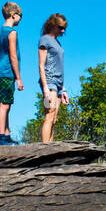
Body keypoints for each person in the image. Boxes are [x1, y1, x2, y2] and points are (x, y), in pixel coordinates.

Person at [0, 2, 25, 145]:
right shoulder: (12, 33)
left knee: (7, 104)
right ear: (13, 15)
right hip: (7, 72)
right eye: (20, 16)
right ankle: (1, 137)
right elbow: (13, 57)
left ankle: (6, 134)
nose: (20, 19)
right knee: (4, 105)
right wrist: (19, 78)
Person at [38, 13, 68, 142]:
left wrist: (64, 89)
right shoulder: (44, 39)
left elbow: (59, 66)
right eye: (60, 27)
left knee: (54, 118)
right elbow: (41, 65)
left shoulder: (58, 43)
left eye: (64, 28)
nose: (63, 31)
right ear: (53, 25)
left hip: (59, 84)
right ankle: (45, 150)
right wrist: (45, 88)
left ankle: (51, 148)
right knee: (49, 114)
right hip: (49, 82)